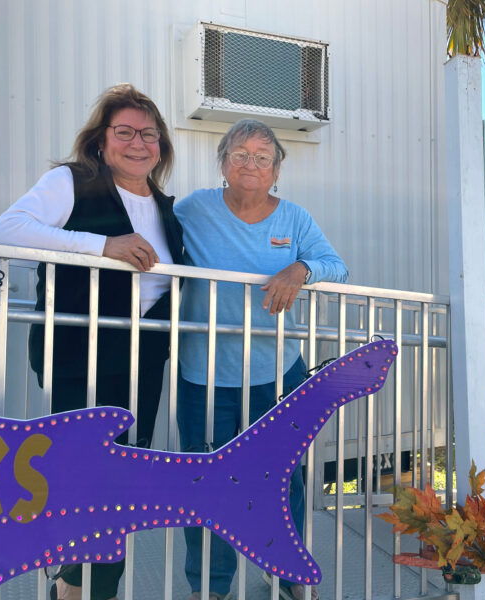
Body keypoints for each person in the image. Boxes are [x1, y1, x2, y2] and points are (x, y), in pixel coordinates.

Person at [0, 83, 184, 600]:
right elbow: (8, 230)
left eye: (149, 134)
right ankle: (90, 591)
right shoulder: (71, 181)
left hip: (142, 366)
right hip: (80, 358)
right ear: (101, 140)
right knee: (94, 488)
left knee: (118, 486)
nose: (138, 142)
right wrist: (104, 246)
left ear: (161, 145)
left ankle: (71, 586)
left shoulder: (165, 207)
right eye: (124, 132)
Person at [174, 118, 347, 600]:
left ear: (276, 170)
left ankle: (284, 570)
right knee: (204, 482)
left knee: (284, 479)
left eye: (263, 156)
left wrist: (301, 268)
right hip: (203, 374)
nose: (251, 163)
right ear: (224, 163)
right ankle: (211, 585)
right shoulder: (194, 208)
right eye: (241, 154)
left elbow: (336, 264)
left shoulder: (294, 218)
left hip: (277, 373)